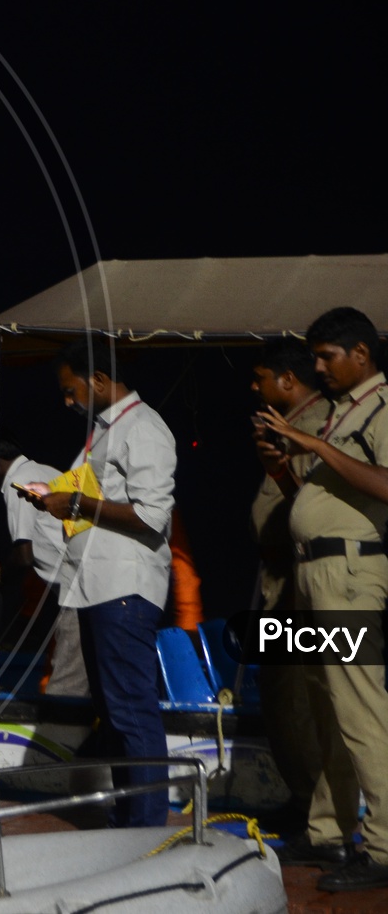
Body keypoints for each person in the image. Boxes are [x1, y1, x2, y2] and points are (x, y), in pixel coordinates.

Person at [257, 307, 388, 893]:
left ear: (361, 353)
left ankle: (384, 846)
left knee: (361, 711)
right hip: (312, 573)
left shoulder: (382, 406)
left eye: (326, 356)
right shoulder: (342, 412)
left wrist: (312, 443)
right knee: (326, 710)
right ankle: (330, 833)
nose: (317, 367)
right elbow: (319, 498)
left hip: (349, 571)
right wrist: (287, 472)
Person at [27, 338, 175, 828]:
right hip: (94, 589)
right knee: (113, 713)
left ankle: (147, 824)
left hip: (125, 592)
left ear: (99, 381)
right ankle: (130, 812)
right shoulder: (102, 432)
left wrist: (74, 505)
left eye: (72, 391)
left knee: (132, 710)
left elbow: (152, 517)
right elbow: (93, 499)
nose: (67, 402)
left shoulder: (145, 428)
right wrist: (56, 497)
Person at [246, 337, 329, 836]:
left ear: (287, 380)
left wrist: (279, 468)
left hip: (305, 589)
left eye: (259, 378)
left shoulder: (318, 428)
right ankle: (303, 801)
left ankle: (318, 811)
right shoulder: (288, 428)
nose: (253, 387)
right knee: (279, 693)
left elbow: (314, 509)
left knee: (301, 698)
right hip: (279, 585)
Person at [0, 435, 87, 696]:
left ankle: (56, 734)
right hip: (96, 584)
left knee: (65, 688)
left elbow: (24, 555)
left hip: (79, 594)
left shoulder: (18, 484)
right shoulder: (47, 471)